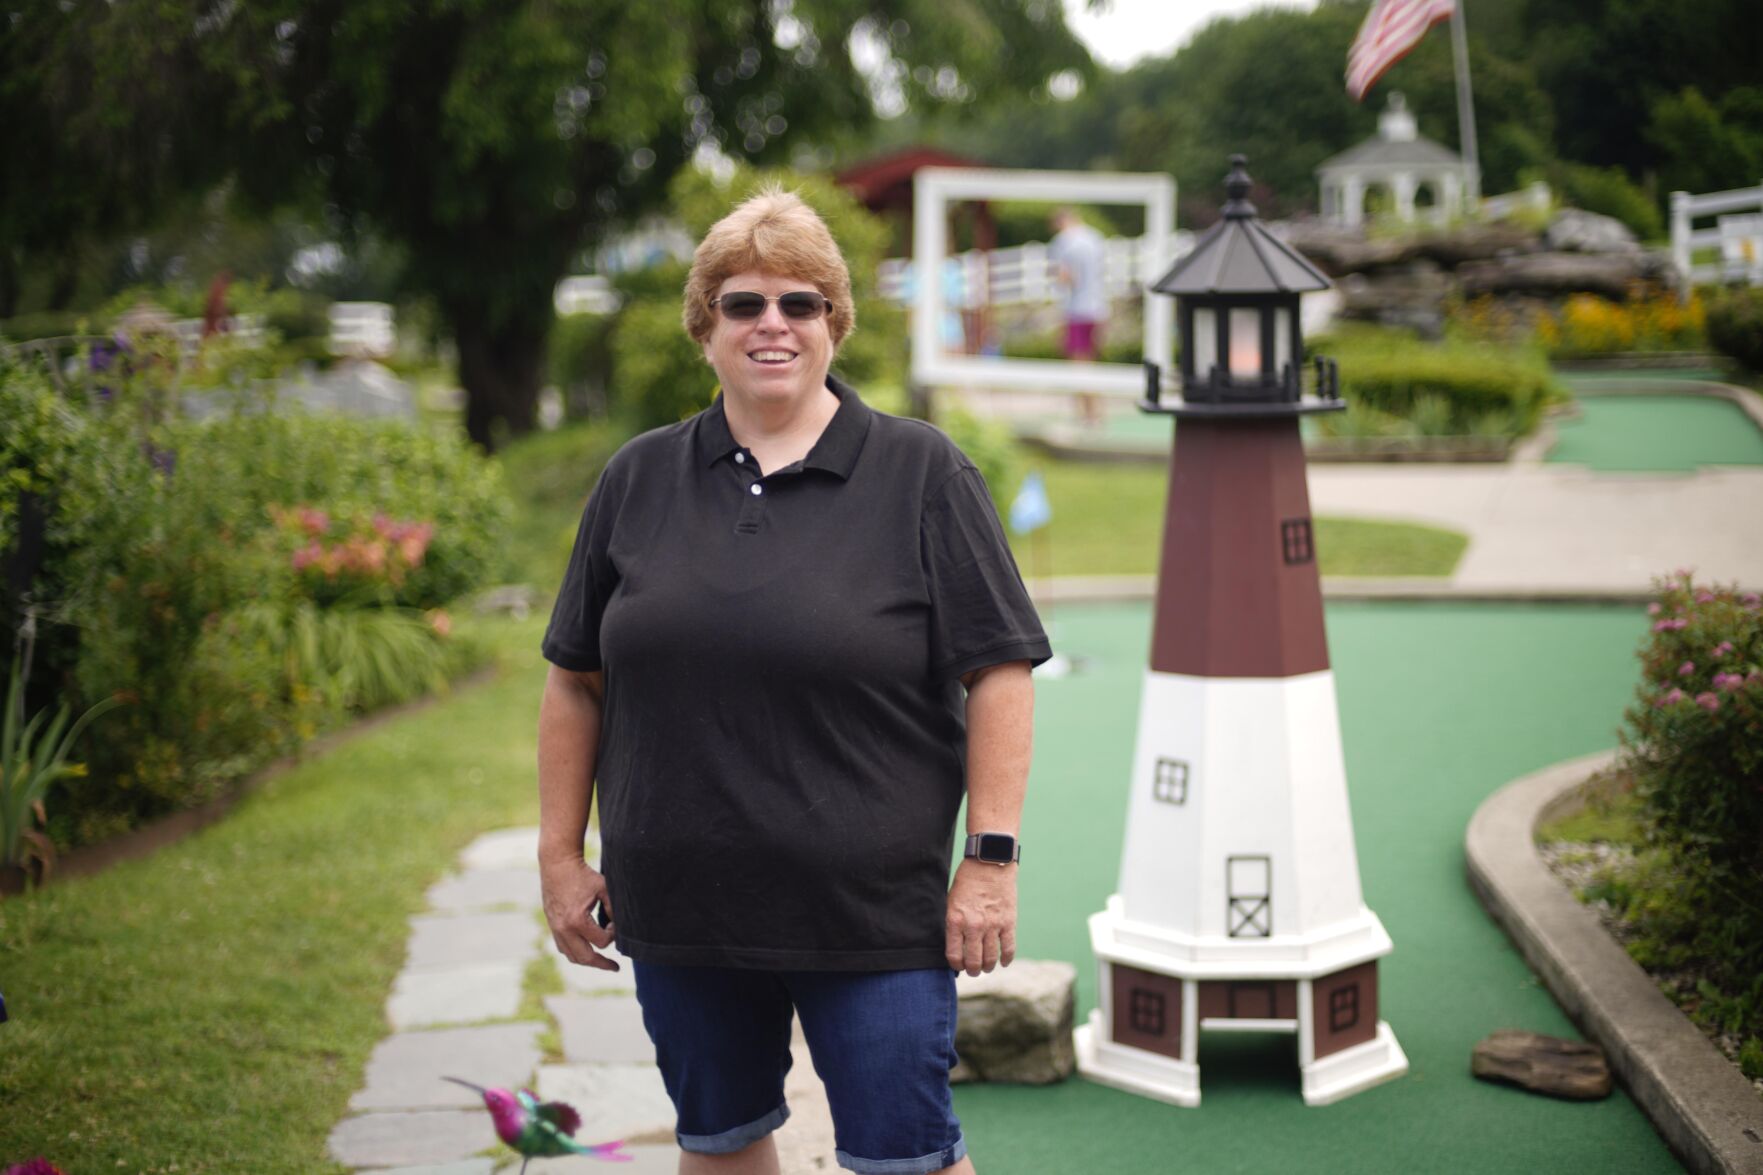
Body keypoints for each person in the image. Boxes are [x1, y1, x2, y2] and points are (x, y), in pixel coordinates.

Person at [537, 187, 1050, 1175]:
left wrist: (988, 861)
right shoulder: (636, 479)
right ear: (705, 326)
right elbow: (575, 680)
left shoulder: (922, 474)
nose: (771, 323)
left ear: (832, 323)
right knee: (720, 1142)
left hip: (874, 916)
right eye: (742, 302)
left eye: (799, 302)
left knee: (907, 1157)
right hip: (682, 905)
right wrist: (560, 854)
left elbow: (1000, 671)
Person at [1047, 207, 1108, 426]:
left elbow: (1065, 277)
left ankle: (1086, 416)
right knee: (1090, 363)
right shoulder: (1095, 237)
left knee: (1079, 365)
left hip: (1077, 310)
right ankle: (1095, 414)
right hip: (1099, 309)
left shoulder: (1064, 241)